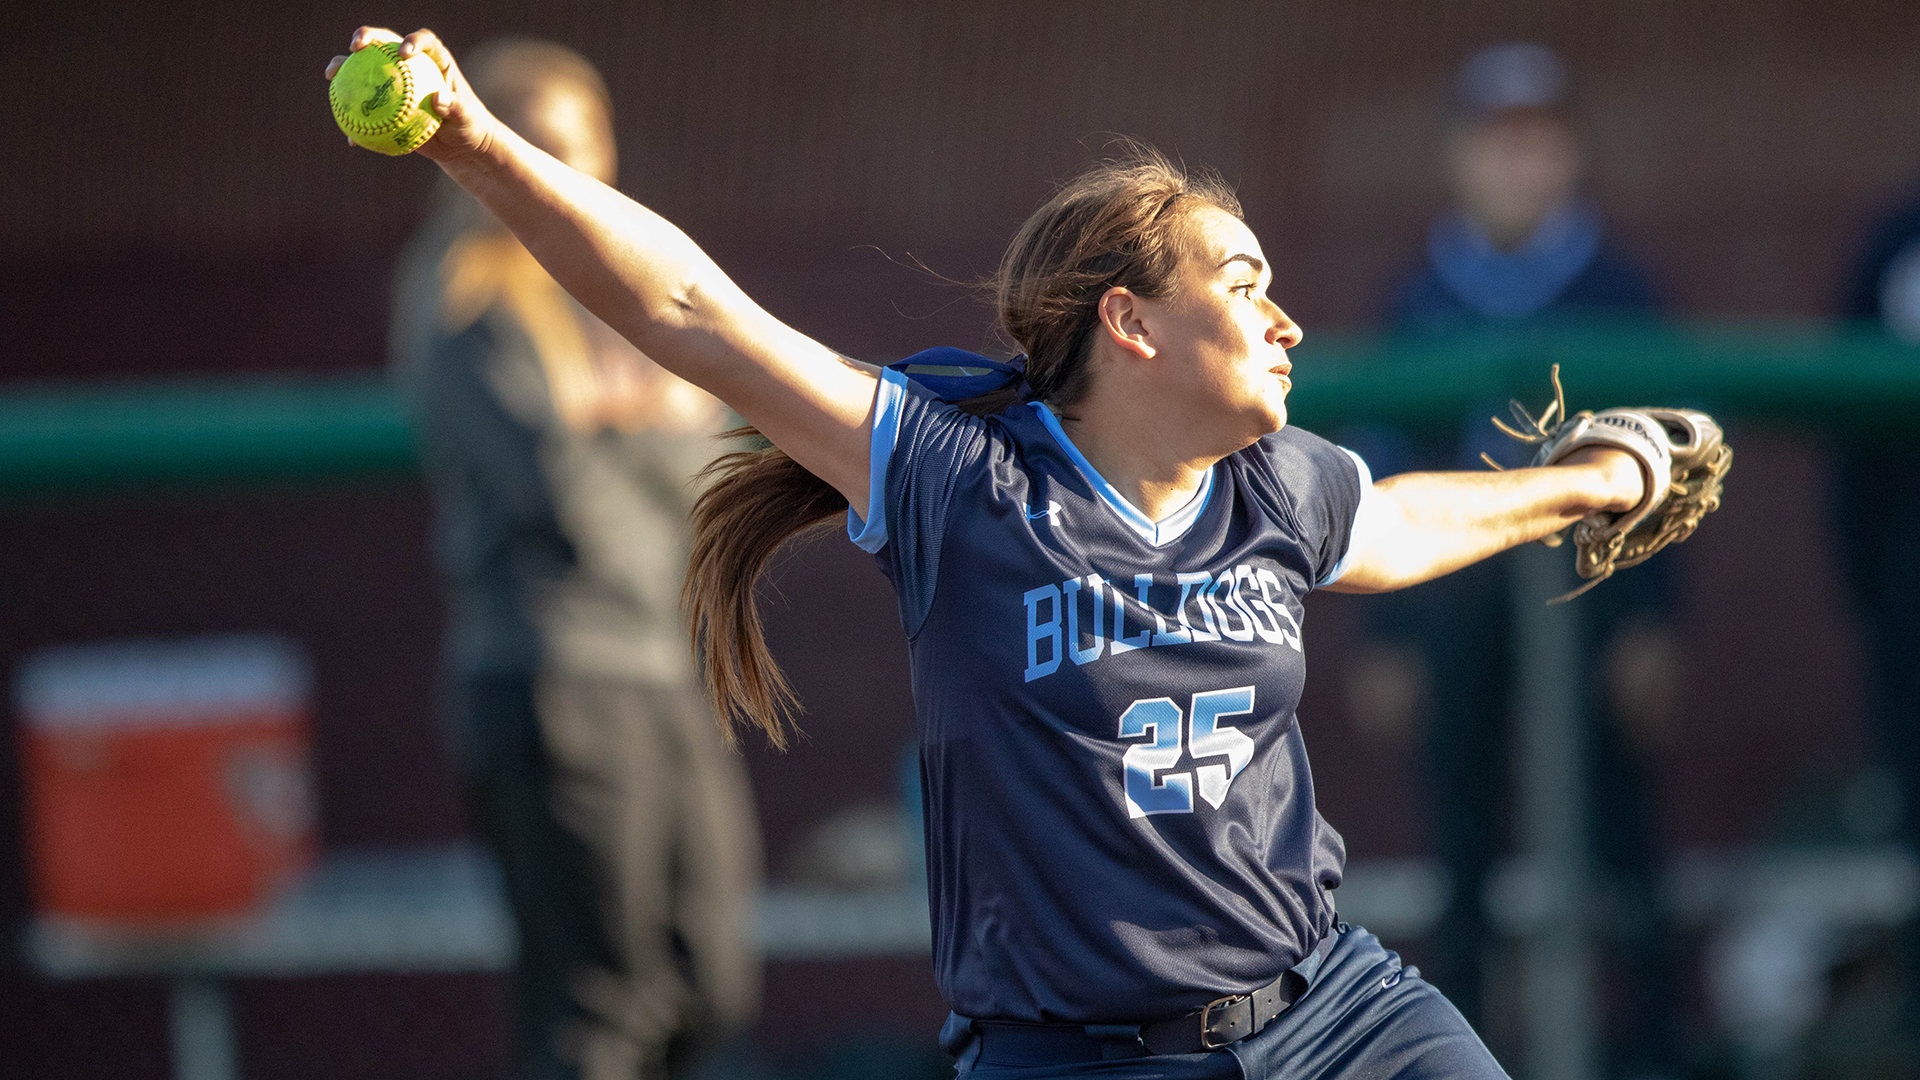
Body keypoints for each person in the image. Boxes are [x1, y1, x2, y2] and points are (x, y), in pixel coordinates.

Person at [332, 27, 1672, 1078]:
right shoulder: (964, 479)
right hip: (1077, 1058)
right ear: (1132, 323)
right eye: (1246, 282)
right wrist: (472, 141)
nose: (1289, 322)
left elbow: (1396, 526)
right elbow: (691, 310)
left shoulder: (1275, 483)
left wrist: (1591, 480)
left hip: (1334, 1012)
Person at [385, 38, 762, 1080]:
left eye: (582, 145)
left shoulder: (615, 278)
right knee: (602, 1011)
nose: (565, 171)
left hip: (663, 669)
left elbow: (715, 476)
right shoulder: (467, 286)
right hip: (555, 674)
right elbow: (563, 494)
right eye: (536, 144)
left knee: (709, 983)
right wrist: (660, 418)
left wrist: (627, 419)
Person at [1357, 43, 1683, 1077]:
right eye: (1495, 143)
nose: (1515, 165)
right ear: (1458, 157)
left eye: (1536, 142)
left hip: (1593, 617)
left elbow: (1677, 471)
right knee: (1466, 856)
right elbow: (1376, 472)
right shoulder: (1416, 297)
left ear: (1570, 155)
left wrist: (1652, 622)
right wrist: (1388, 633)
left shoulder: (1623, 289)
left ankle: (1646, 1053)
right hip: (1458, 624)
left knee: (1622, 852)